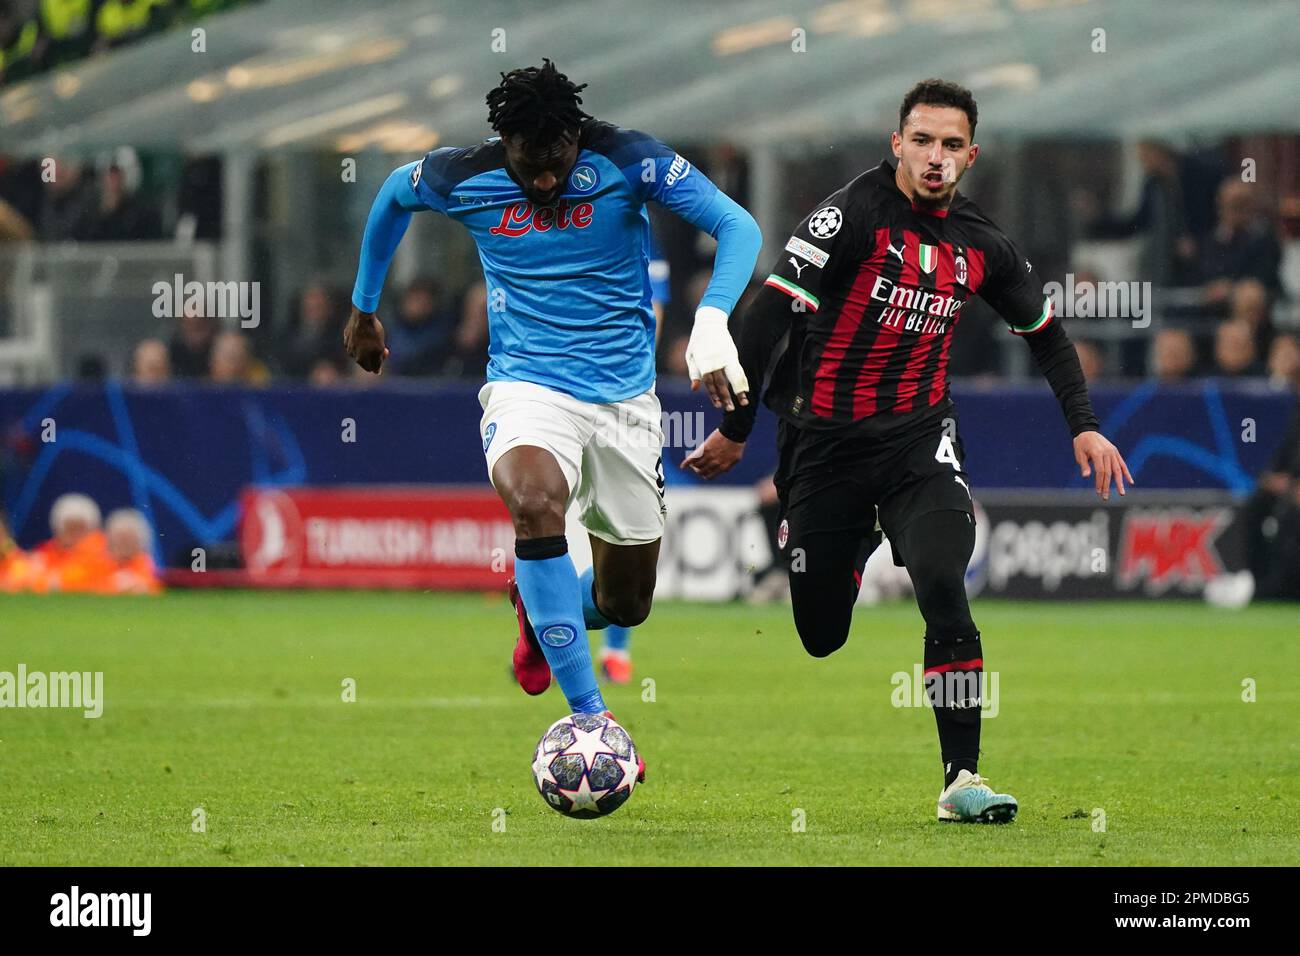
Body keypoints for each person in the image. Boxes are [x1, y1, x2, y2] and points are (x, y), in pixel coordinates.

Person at [684, 79, 1132, 824]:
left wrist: (1083, 424)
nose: (935, 157)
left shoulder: (982, 244)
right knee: (821, 635)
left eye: (951, 144)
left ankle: (962, 778)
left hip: (918, 441)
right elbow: (766, 316)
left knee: (940, 578)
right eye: (922, 140)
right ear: (897, 144)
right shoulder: (848, 215)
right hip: (822, 446)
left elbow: (1046, 335)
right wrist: (736, 431)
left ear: (971, 155)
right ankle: (853, 543)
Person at [343, 61, 761, 783]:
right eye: (529, 165)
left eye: (557, 162)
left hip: (626, 402)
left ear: (576, 136)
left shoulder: (628, 158)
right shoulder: (459, 174)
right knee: (535, 506)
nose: (543, 182)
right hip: (527, 388)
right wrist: (363, 306)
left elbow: (736, 224)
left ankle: (541, 615)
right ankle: (589, 717)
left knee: (627, 599)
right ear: (503, 140)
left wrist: (714, 320)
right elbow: (389, 197)